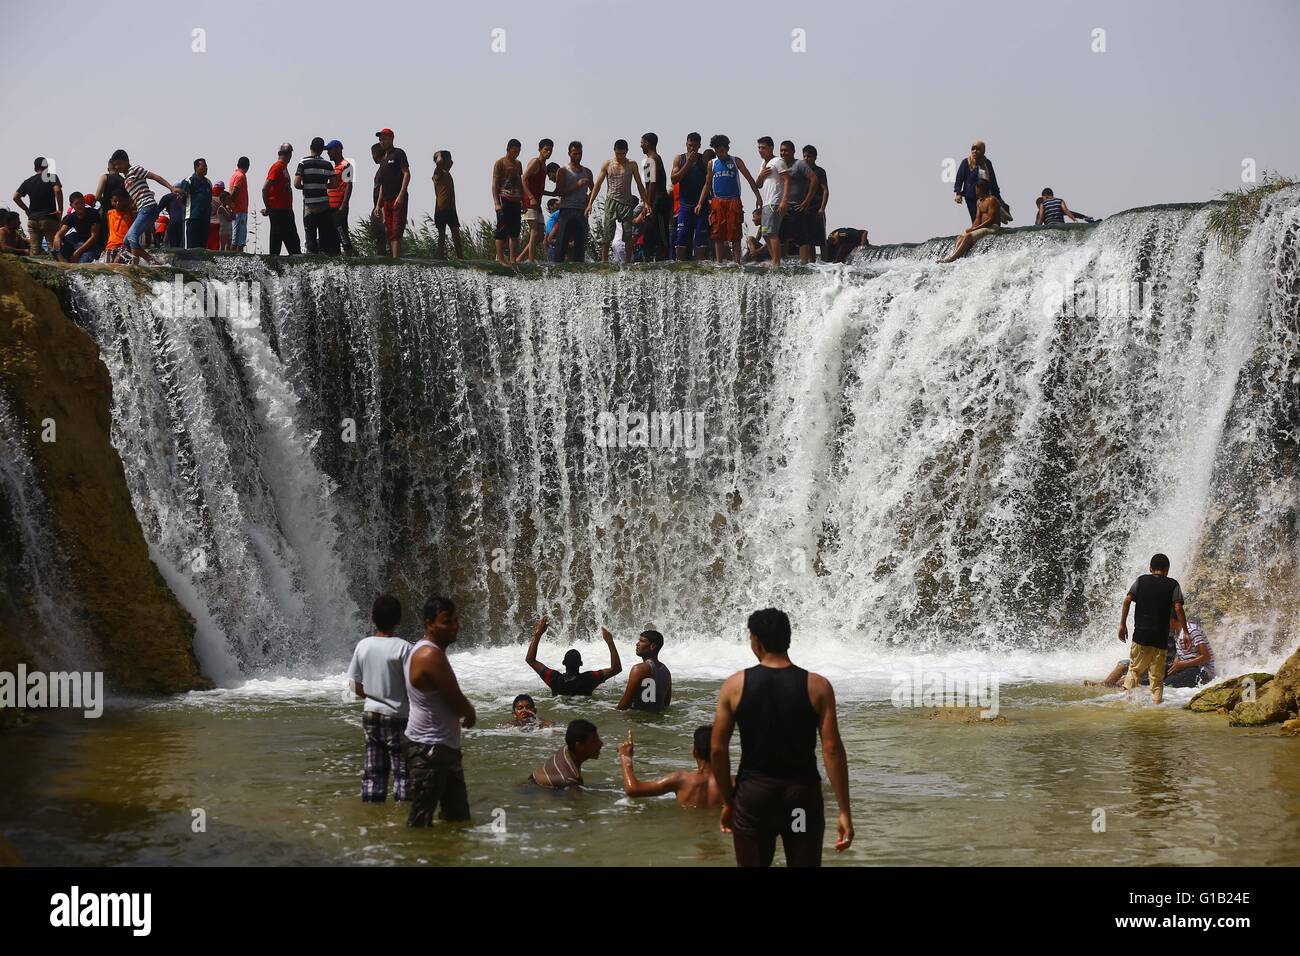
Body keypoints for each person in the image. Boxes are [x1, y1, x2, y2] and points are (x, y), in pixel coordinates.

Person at [710, 608, 854, 867]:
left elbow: (718, 750)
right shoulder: (817, 686)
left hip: (754, 797)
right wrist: (844, 810)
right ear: (788, 638)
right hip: (800, 797)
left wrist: (727, 801)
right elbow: (832, 749)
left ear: (755, 640)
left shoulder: (735, 685)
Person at [403, 595, 476, 825]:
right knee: (419, 823)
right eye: (447, 622)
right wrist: (470, 712)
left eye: (456, 620)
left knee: (457, 820)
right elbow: (456, 700)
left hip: (442, 749)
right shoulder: (430, 655)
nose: (454, 626)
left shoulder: (427, 650)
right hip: (429, 751)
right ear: (429, 624)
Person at [345, 594, 413, 804]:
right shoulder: (404, 648)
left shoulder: (363, 645)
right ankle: (402, 819)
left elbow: (353, 683)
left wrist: (374, 696)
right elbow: (414, 685)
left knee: (373, 771)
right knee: (402, 771)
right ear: (399, 619)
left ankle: (373, 817)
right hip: (397, 716)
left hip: (371, 714)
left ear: (372, 618)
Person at [1116, 553, 1189, 705]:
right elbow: (1178, 607)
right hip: (1160, 637)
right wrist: (1186, 631)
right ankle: (1156, 704)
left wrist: (1122, 624)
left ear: (1150, 568)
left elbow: (1128, 599)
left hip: (1141, 634)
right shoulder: (1173, 584)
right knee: (1156, 677)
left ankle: (1127, 701)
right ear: (1167, 570)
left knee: (1135, 670)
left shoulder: (1141, 580)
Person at [1086, 611, 1216, 690]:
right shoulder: (1176, 632)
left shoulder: (1191, 630)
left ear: (1171, 620)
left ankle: (1124, 686)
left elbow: (1206, 657)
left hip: (1200, 671)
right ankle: (1109, 685)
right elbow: (1181, 654)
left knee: (1162, 685)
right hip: (1183, 667)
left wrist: (1181, 664)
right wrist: (1177, 663)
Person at [618, 726, 729, 808]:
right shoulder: (732, 783)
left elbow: (632, 789)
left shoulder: (682, 780)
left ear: (695, 752)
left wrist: (625, 756)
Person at [697, 134, 758, 264]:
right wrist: (700, 203)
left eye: (722, 151)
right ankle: (719, 263)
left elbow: (749, 179)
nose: (720, 154)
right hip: (718, 201)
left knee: (735, 234)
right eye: (717, 151)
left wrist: (758, 196)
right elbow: (707, 185)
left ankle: (737, 262)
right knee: (717, 234)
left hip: (733, 200)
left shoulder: (736, 161)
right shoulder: (712, 163)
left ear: (727, 148)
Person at [587, 139, 650, 263]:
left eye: (623, 154)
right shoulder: (607, 164)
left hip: (626, 202)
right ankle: (604, 262)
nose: (620, 156)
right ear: (614, 151)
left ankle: (627, 262)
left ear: (627, 151)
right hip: (612, 201)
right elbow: (598, 184)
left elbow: (639, 184)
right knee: (607, 234)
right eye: (618, 154)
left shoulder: (632, 164)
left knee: (628, 234)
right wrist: (590, 203)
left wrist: (646, 202)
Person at [110, 150, 178, 265]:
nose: (117, 167)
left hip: (148, 207)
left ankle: (135, 265)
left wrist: (171, 188)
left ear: (127, 161)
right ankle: (154, 262)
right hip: (142, 210)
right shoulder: (126, 180)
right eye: (115, 165)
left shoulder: (135, 170)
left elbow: (156, 177)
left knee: (132, 236)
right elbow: (136, 197)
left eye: (119, 163)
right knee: (127, 241)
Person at [525, 616, 621, 696]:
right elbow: (616, 669)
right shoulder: (589, 679)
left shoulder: (554, 679)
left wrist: (538, 635)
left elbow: (530, 660)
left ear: (563, 663)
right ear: (581, 663)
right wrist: (610, 641)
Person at [548, 142, 594, 263]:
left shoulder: (587, 172)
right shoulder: (563, 171)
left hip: (581, 212)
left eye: (580, 153)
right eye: (575, 154)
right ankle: (558, 272)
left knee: (580, 245)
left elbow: (594, 189)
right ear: (569, 154)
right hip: (566, 211)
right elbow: (560, 192)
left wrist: (589, 201)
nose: (578, 156)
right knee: (561, 244)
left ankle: (578, 272)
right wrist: (577, 185)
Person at [295, 137, 340, 255]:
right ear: (322, 150)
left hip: (309, 205)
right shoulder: (327, 165)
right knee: (324, 233)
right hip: (324, 204)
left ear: (310, 147)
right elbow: (335, 184)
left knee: (310, 234)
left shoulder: (303, 163)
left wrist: (308, 186)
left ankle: (312, 255)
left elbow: (296, 184)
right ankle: (324, 257)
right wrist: (323, 186)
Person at [777, 141, 819, 265]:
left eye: (786, 150)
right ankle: (782, 263)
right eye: (781, 150)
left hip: (797, 205)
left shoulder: (800, 164)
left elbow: (814, 179)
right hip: (783, 206)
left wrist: (807, 201)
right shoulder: (780, 165)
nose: (783, 153)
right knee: (781, 236)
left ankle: (804, 264)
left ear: (793, 152)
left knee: (801, 236)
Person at [671, 133, 711, 261]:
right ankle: (680, 265)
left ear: (699, 145)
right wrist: (688, 163)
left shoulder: (703, 160)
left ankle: (700, 266)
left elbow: (709, 182)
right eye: (689, 145)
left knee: (701, 238)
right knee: (681, 236)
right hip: (685, 205)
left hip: (701, 205)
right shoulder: (679, 158)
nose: (692, 148)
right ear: (686, 144)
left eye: (695, 146)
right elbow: (674, 179)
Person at [530, 719, 603, 789]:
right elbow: (575, 801)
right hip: (537, 791)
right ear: (579, 746)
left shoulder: (565, 750)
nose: (601, 744)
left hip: (533, 784)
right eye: (595, 742)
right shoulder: (569, 780)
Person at [753, 137, 791, 267]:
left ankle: (776, 262)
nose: (760, 150)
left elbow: (787, 180)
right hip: (766, 203)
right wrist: (761, 175)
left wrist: (784, 201)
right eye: (759, 147)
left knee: (772, 232)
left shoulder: (778, 161)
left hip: (775, 202)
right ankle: (774, 259)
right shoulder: (763, 164)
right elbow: (757, 184)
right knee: (765, 233)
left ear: (770, 148)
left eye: (763, 147)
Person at [13, 157, 63, 256]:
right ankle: (58, 270)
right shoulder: (51, 176)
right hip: (49, 218)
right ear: (47, 166)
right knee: (54, 250)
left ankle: (34, 271)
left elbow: (15, 197)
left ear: (35, 168)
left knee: (34, 251)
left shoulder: (28, 181)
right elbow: (57, 190)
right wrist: (60, 209)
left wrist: (26, 210)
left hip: (33, 220)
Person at [517, 139, 555, 263]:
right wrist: (531, 197)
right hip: (530, 203)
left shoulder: (544, 166)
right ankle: (531, 261)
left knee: (540, 235)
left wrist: (553, 193)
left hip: (537, 203)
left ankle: (520, 259)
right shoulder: (535, 162)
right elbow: (523, 179)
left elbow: (539, 188)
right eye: (546, 150)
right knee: (534, 232)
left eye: (550, 150)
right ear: (540, 150)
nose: (548, 152)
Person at [614, 629, 671, 711]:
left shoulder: (639, 669)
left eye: (642, 641)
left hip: (638, 721)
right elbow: (666, 704)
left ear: (652, 646)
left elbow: (624, 705)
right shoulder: (666, 671)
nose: (637, 644)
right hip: (656, 722)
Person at [374, 127, 410, 258]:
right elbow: (382, 184)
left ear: (391, 138)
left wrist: (401, 195)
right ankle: (393, 258)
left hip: (397, 197)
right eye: (380, 139)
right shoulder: (382, 159)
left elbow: (406, 174)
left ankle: (396, 259)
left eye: (384, 139)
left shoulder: (399, 153)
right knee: (389, 230)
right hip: (386, 199)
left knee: (396, 229)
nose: (382, 142)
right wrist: (378, 204)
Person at [944, 181, 1001, 262]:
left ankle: (952, 259)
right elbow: (977, 219)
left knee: (968, 236)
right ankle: (955, 255)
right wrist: (972, 228)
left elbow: (991, 220)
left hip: (992, 227)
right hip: (982, 227)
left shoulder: (992, 200)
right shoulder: (979, 202)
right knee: (960, 237)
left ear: (981, 189)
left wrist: (975, 229)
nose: (975, 191)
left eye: (976, 189)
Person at [262, 143, 300, 256]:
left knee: (292, 239)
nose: (290, 157)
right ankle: (274, 263)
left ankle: (294, 261)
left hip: (286, 209)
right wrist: (269, 208)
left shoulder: (284, 167)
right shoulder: (277, 167)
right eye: (289, 154)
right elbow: (265, 189)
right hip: (278, 210)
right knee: (277, 238)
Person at [491, 139, 525, 264]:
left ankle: (512, 259)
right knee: (502, 229)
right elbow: (495, 184)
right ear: (508, 149)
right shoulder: (500, 163)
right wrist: (496, 203)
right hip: (504, 198)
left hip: (516, 200)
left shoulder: (518, 164)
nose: (516, 154)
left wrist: (523, 200)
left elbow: (520, 183)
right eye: (514, 151)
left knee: (515, 231)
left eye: (518, 151)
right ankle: (500, 259)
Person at [953, 139, 1002, 223]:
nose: (974, 151)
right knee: (976, 220)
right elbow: (959, 179)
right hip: (971, 197)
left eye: (978, 149)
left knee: (988, 219)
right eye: (973, 149)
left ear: (983, 151)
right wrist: (958, 193)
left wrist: (998, 197)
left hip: (985, 197)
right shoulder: (966, 162)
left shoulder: (987, 163)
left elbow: (993, 181)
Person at [52, 192, 103, 263]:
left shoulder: (93, 214)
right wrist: (57, 236)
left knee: (84, 261)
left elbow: (94, 237)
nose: (80, 206)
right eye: (76, 204)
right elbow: (62, 231)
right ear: (71, 205)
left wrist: (77, 253)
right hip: (78, 243)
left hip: (93, 245)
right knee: (56, 248)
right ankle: (64, 263)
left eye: (82, 203)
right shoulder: (70, 217)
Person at [176, 158, 213, 250]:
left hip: (205, 218)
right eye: (204, 166)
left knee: (202, 246)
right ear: (197, 167)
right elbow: (182, 197)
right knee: (190, 245)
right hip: (192, 217)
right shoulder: (189, 180)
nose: (206, 168)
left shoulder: (208, 183)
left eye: (206, 166)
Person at [431, 150, 462, 259]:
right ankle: (440, 259)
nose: (452, 161)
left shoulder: (448, 174)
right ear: (444, 161)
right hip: (441, 209)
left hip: (451, 210)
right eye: (450, 159)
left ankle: (460, 258)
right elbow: (439, 162)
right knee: (442, 236)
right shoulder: (438, 171)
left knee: (456, 235)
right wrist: (439, 155)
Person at [801, 145, 829, 261]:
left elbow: (825, 191)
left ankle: (826, 261)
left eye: (809, 156)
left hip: (817, 208)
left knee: (821, 239)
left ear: (815, 157)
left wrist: (822, 208)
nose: (806, 159)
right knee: (809, 240)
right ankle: (812, 263)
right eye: (804, 156)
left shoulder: (820, 171)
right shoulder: (802, 172)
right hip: (806, 209)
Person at [228, 157, 251, 252]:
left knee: (237, 237)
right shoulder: (240, 176)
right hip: (240, 210)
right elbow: (236, 190)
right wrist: (231, 203)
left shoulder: (234, 174)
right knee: (239, 239)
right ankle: (235, 259)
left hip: (238, 210)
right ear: (247, 166)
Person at [103, 190, 133, 263]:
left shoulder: (130, 213)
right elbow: (108, 230)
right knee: (107, 264)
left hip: (125, 245)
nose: (118, 203)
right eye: (115, 201)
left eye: (120, 201)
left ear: (125, 201)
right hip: (111, 245)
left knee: (117, 262)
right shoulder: (109, 213)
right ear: (111, 201)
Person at [208, 182, 233, 251]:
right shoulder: (222, 200)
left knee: (210, 243)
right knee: (220, 245)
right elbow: (230, 218)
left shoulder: (209, 198)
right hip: (220, 224)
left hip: (210, 223)